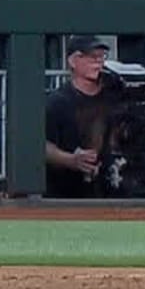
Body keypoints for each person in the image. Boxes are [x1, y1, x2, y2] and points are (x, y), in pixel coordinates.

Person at [43, 36, 118, 198]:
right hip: (64, 192)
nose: (98, 62)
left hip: (108, 191)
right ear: (74, 61)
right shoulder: (57, 102)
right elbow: (42, 145)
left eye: (101, 57)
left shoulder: (113, 99)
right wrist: (70, 160)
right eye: (92, 57)